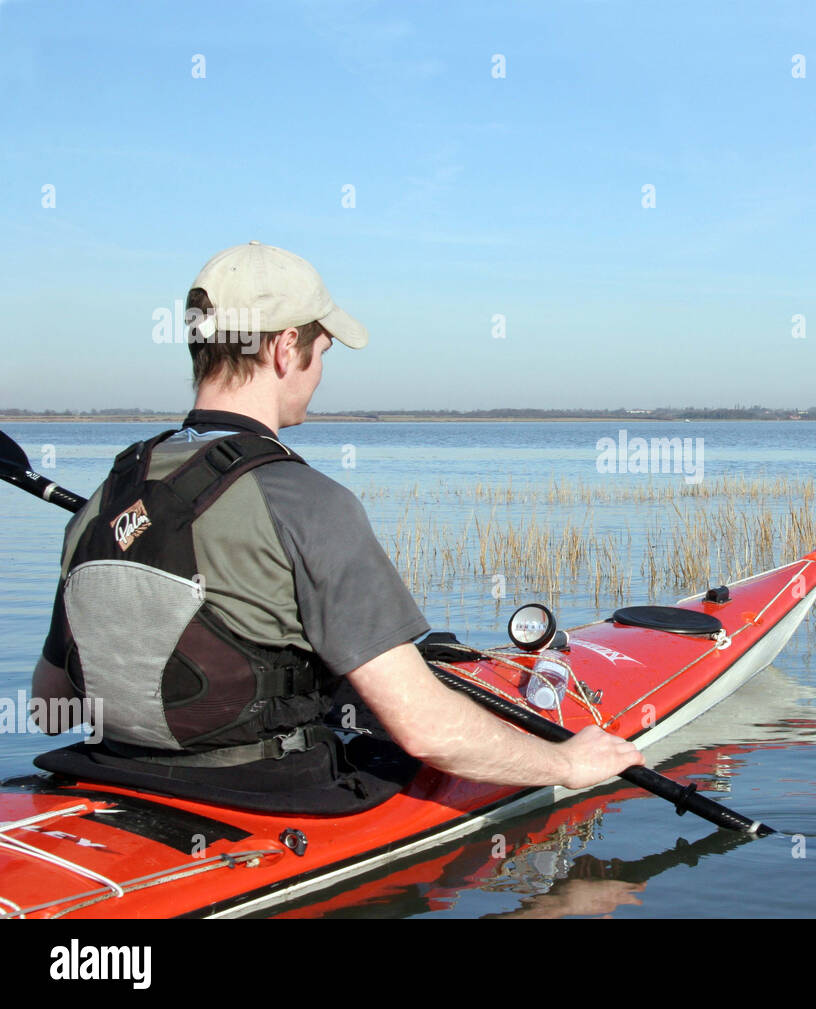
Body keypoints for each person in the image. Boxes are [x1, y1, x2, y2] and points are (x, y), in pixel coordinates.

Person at [29, 241, 642, 812]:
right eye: (320, 353)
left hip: (109, 772)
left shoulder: (106, 497)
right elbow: (428, 731)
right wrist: (566, 760)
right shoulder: (307, 501)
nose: (320, 374)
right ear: (283, 348)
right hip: (270, 795)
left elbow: (51, 709)